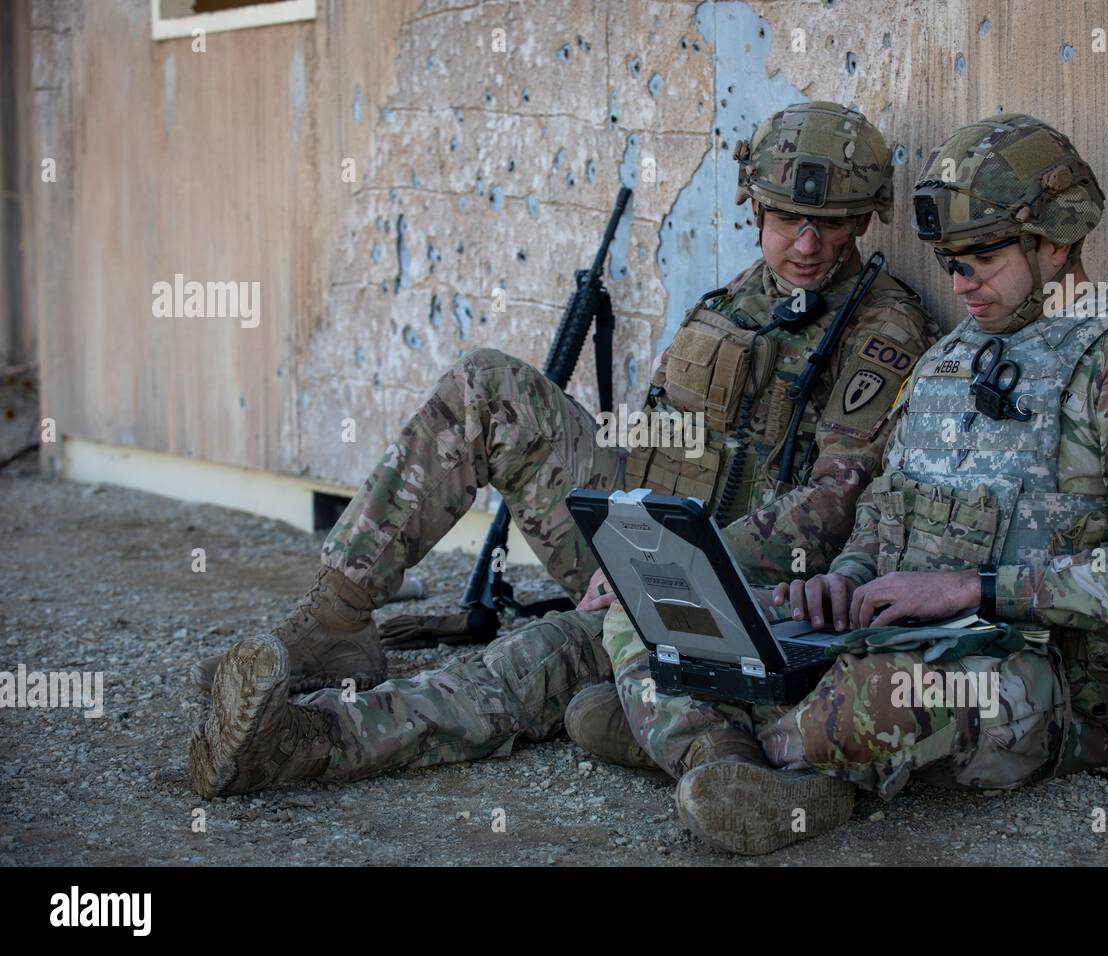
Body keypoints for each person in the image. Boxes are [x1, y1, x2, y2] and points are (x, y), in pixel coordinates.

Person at [187, 101, 937, 799]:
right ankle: (337, 618)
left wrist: (657, 568)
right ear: (755, 206)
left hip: (743, 588)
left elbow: (833, 507)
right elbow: (661, 433)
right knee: (488, 385)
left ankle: (307, 744)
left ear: (865, 221)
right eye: (787, 219)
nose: (806, 245)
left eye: (830, 226)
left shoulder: (883, 329)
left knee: (537, 656)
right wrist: (613, 521)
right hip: (650, 542)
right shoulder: (747, 295)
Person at [593, 113, 1108, 856]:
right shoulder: (948, 360)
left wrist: (977, 588)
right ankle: (733, 767)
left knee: (876, 699)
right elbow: (890, 507)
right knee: (655, 614)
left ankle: (693, 737)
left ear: (1056, 239)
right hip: (904, 633)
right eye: (948, 261)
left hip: (1064, 677)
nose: (960, 284)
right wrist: (850, 579)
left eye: (981, 259)